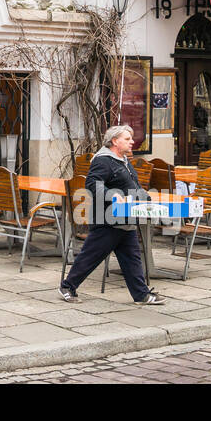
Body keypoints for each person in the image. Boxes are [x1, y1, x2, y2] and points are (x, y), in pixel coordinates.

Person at [59, 125, 164, 305]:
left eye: (131, 139)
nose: (132, 142)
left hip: (125, 218)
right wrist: (112, 195)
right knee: (90, 256)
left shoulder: (122, 160)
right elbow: (93, 184)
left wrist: (145, 198)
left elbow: (134, 185)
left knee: (132, 258)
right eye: (127, 139)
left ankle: (142, 295)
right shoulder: (103, 160)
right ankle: (67, 287)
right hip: (107, 219)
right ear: (115, 141)